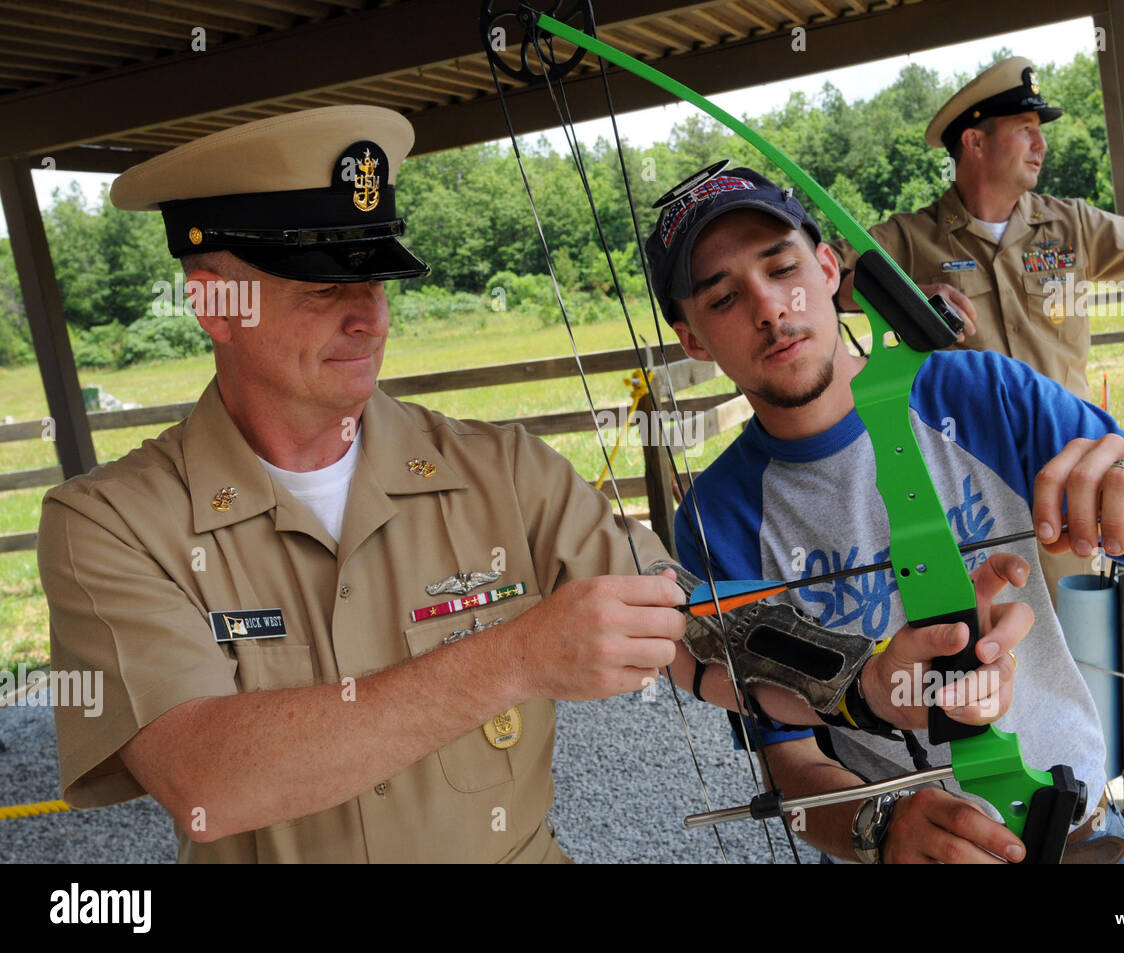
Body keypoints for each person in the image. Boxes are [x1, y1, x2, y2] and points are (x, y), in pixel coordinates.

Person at [38, 107, 1019, 864]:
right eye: (321, 286)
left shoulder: (498, 468)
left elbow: (693, 622)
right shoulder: (111, 520)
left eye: (375, 279)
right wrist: (510, 657)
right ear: (215, 301)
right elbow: (210, 775)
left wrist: (864, 679)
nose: (368, 318)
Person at [647, 163, 1124, 863]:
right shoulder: (717, 513)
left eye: (782, 266)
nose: (769, 307)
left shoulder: (982, 393)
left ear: (830, 267)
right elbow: (787, 767)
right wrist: (880, 828)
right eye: (724, 298)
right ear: (693, 341)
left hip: (1078, 831)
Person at [829, 56, 1124, 604]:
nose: (1042, 144)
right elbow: (814, 280)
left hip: (1072, 466)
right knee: (978, 629)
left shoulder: (1071, 225)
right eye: (1025, 130)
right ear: (976, 143)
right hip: (963, 484)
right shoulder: (908, 241)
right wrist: (898, 296)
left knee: (1086, 633)